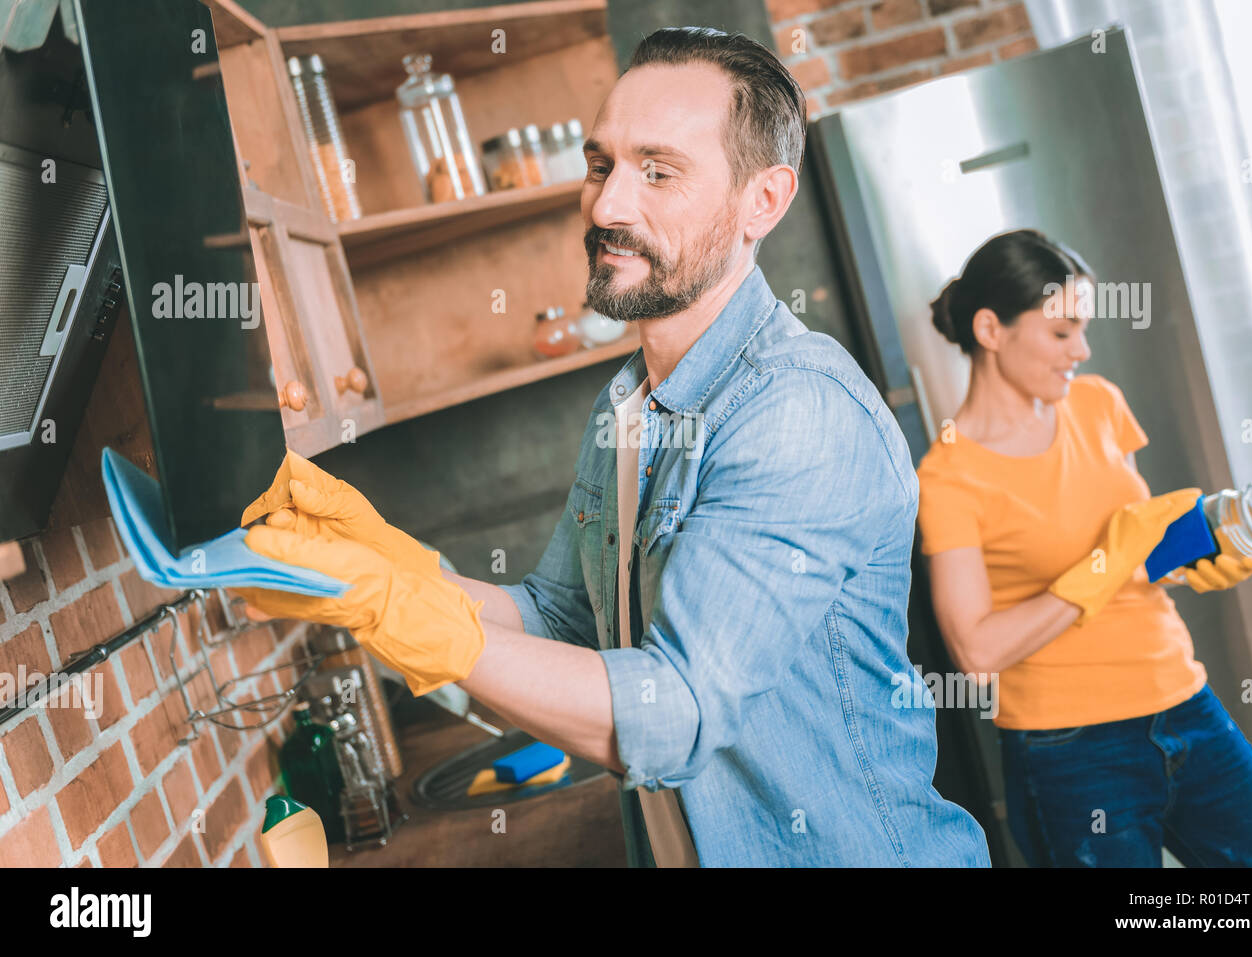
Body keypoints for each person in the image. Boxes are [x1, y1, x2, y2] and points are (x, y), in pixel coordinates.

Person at [233, 26, 989, 868]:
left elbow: (681, 709)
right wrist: (389, 563)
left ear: (762, 202)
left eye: (658, 171)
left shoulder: (796, 412)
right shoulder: (628, 404)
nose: (606, 205)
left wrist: (405, 614)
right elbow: (560, 619)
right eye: (601, 165)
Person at [917, 227, 1252, 867]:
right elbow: (976, 652)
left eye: (1084, 330)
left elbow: (1130, 556)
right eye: (1062, 333)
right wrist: (1099, 568)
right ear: (990, 329)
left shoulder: (1097, 406)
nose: (1082, 350)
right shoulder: (948, 477)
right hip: (1071, 749)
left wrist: (1191, 556)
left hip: (1184, 703)